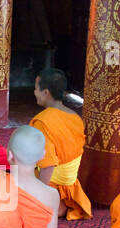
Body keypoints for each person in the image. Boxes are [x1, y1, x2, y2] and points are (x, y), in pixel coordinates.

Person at [31, 69, 92, 220]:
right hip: (70, 184)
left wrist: (39, 196)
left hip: (49, 181)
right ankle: (59, 201)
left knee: (13, 176)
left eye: (35, 88)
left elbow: (47, 165)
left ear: (45, 92)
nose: (34, 92)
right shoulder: (75, 117)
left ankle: (52, 204)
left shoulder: (42, 122)